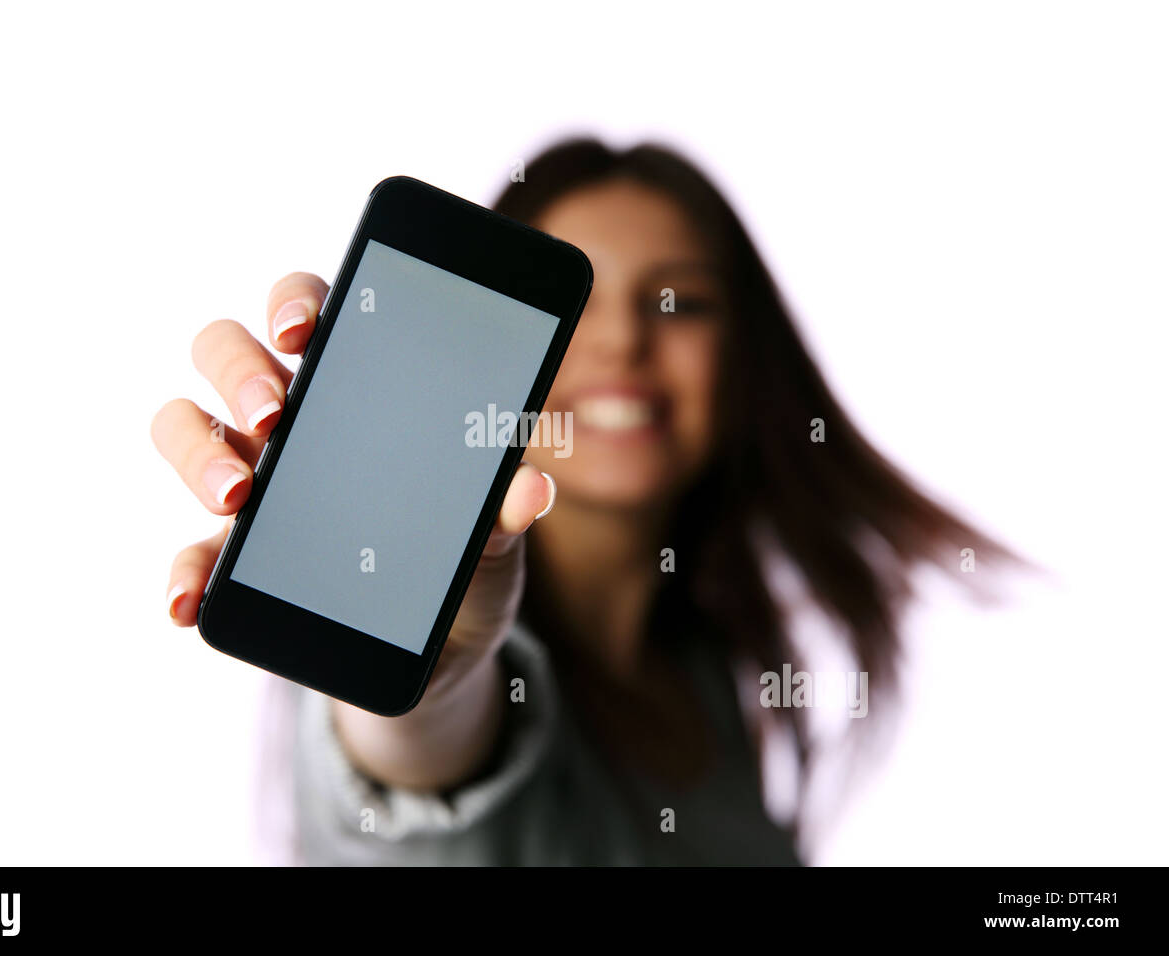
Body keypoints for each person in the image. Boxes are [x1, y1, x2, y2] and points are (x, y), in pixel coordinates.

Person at [151, 137, 1014, 865]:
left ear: (749, 359)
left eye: (680, 302)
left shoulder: (706, 670)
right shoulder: (426, 635)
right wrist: (432, 688)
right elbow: (421, 764)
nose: (624, 340)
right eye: (579, 305)